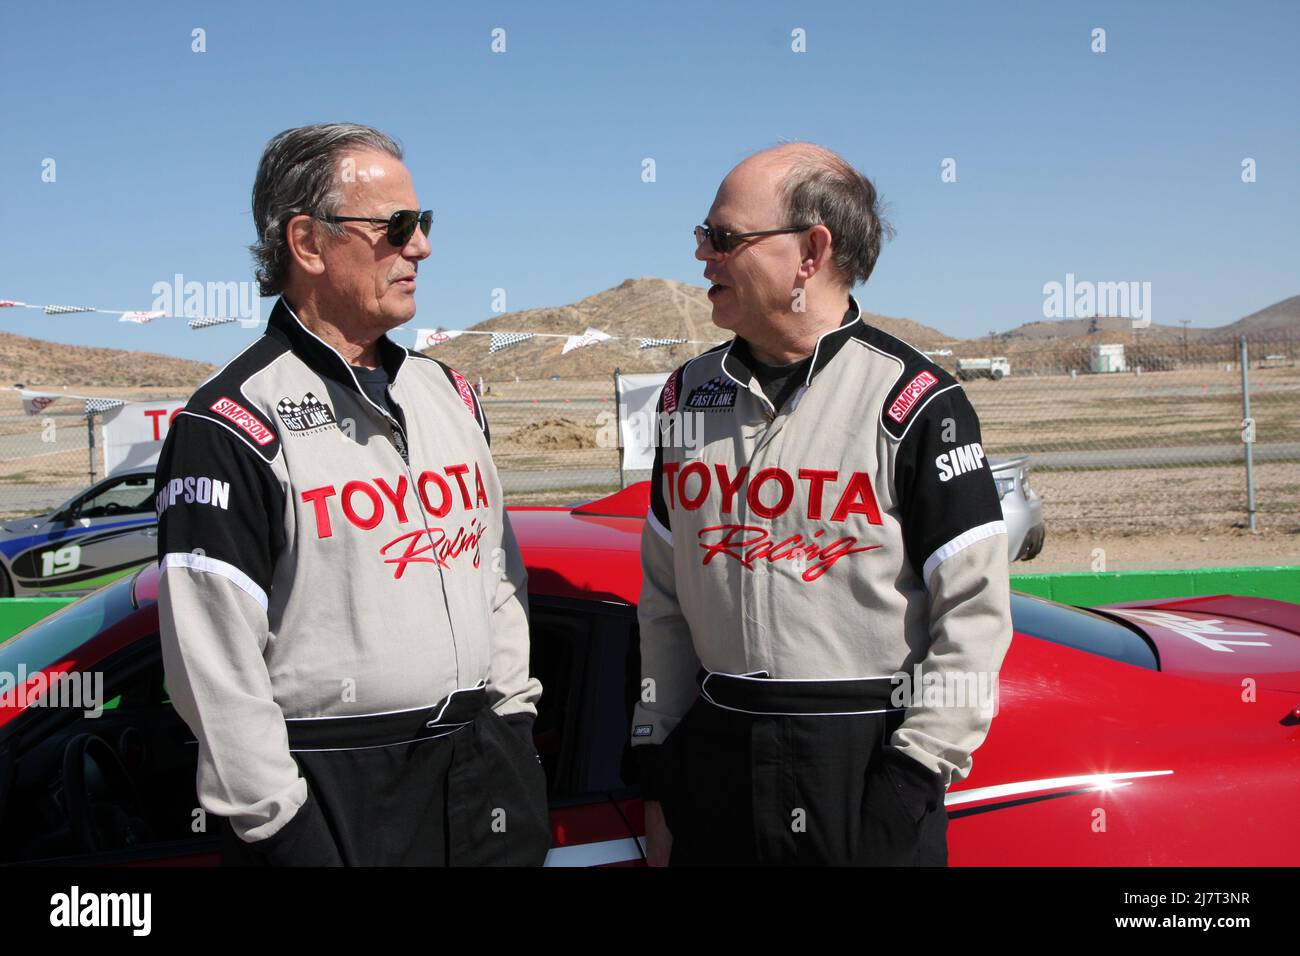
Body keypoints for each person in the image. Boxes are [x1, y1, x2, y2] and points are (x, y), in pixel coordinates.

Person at [155, 123, 548, 866]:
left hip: (483, 769)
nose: (421, 247)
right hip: (340, 794)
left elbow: (497, 581)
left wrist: (511, 723)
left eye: (422, 223)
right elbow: (213, 669)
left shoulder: (450, 393)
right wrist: (282, 829)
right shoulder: (231, 422)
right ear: (307, 243)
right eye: (397, 227)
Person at [630, 143, 1013, 866]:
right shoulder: (685, 395)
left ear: (811, 251)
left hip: (867, 760)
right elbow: (664, 598)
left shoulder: (917, 402)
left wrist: (912, 778)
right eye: (702, 236)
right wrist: (658, 758)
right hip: (717, 751)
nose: (703, 256)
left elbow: (975, 616)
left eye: (723, 237)